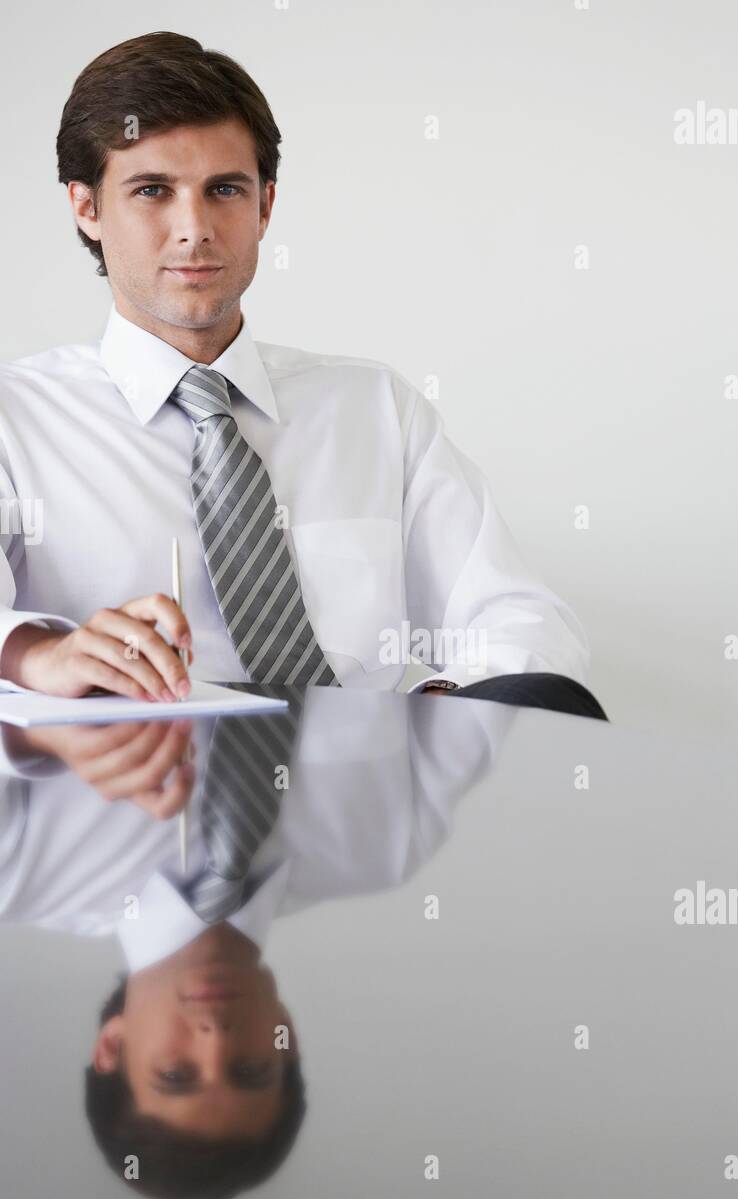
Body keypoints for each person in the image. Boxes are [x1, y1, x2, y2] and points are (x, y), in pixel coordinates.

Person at [0, 31, 605, 721]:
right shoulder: (14, 420)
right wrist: (35, 653)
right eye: (152, 190)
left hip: (359, 803)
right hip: (124, 808)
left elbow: (526, 625)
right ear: (86, 208)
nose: (193, 228)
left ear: (265, 206)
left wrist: (431, 720)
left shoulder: (377, 410)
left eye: (224, 189)